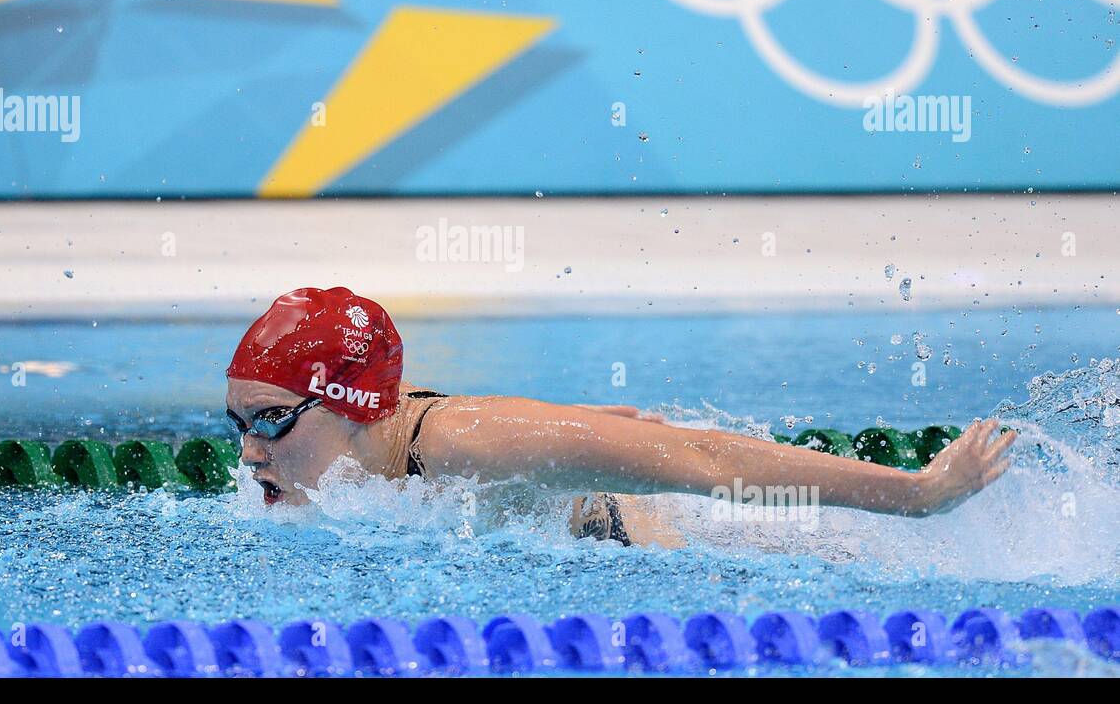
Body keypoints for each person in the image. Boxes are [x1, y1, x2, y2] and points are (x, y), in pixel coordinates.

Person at [226, 287, 1017, 546]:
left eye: (268, 423)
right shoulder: (370, 452)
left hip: (683, 527)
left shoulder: (463, 443)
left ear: (347, 404)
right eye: (238, 425)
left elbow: (708, 461)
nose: (249, 455)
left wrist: (921, 493)